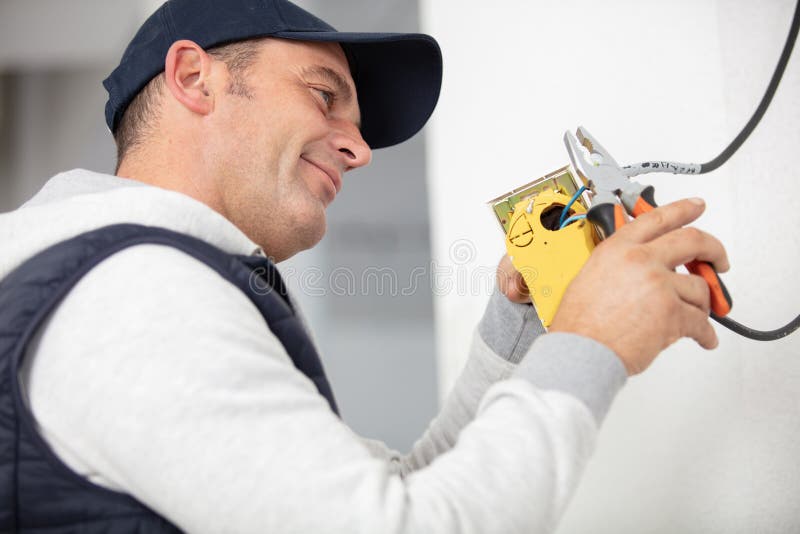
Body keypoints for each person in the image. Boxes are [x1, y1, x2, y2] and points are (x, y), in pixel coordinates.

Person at [0, 0, 728, 532]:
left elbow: (394, 496)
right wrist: (593, 345)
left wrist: (525, 330)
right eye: (324, 95)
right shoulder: (138, 297)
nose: (360, 149)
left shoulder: (115, 277)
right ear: (195, 77)